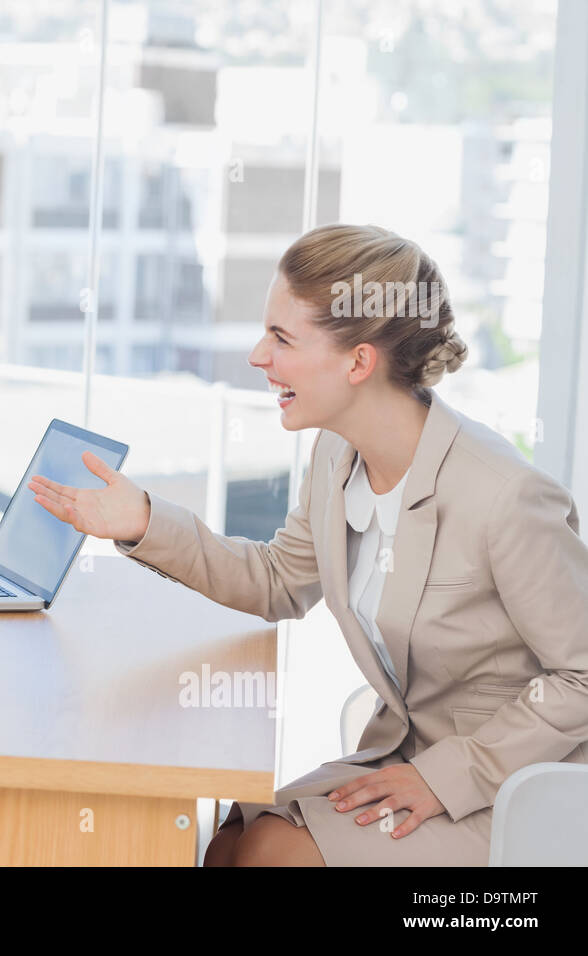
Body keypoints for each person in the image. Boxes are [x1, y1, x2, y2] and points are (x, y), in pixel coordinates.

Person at [29, 223, 588, 866]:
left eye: (282, 338)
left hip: (515, 789)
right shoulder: (336, 455)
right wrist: (143, 522)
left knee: (269, 855)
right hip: (407, 756)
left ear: (358, 361)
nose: (258, 357)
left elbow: (580, 674)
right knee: (218, 841)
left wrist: (446, 777)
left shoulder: (503, 495)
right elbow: (277, 581)